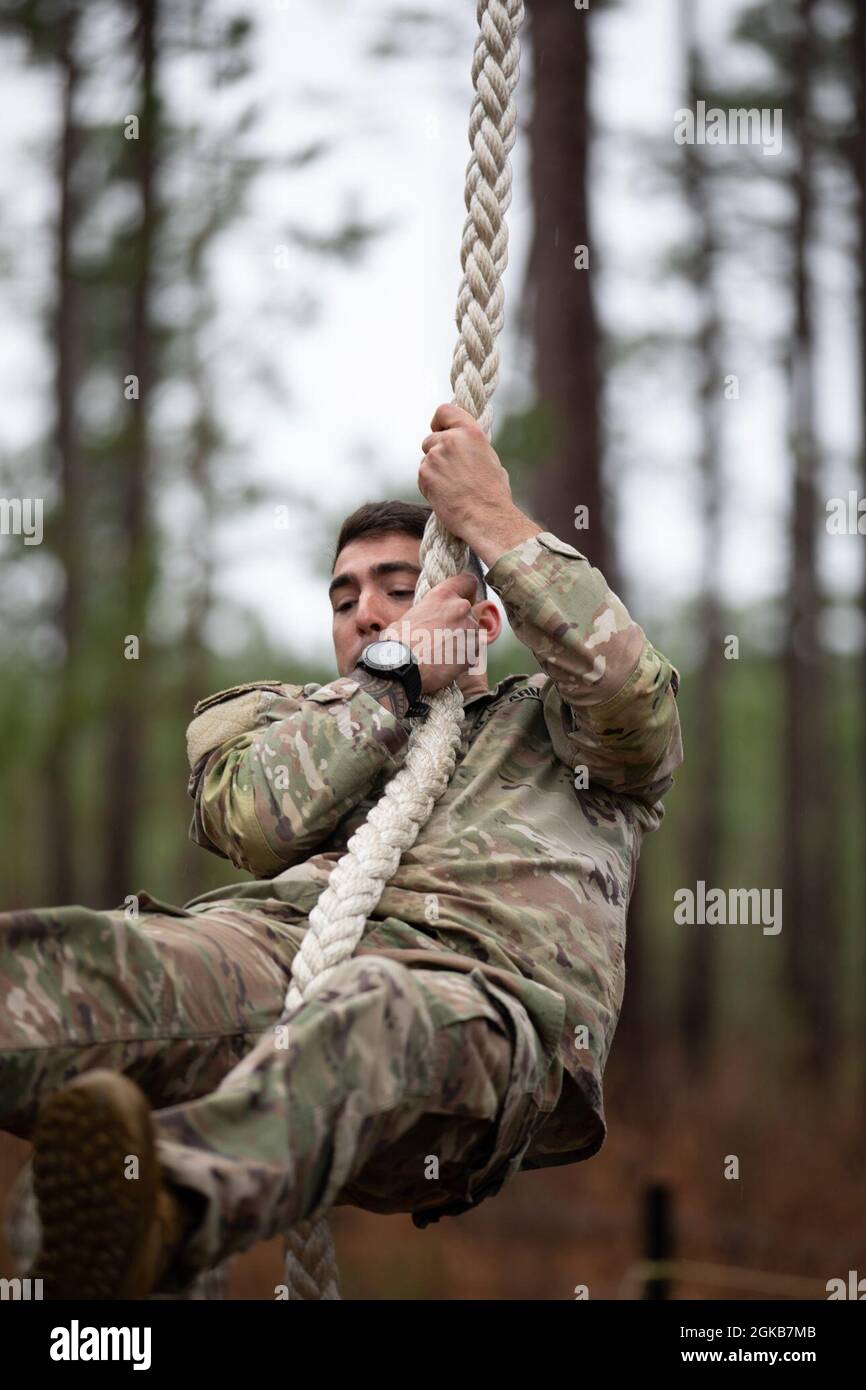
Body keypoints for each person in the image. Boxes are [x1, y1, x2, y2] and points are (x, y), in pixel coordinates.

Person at [0, 403, 683, 1299]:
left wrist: (492, 522)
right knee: (60, 967)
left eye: (398, 587)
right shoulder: (299, 723)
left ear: (478, 619)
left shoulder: (560, 737)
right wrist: (392, 681)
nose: (365, 612)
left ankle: (158, 1211)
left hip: (483, 1020)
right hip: (278, 974)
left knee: (374, 1005)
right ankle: (118, 1234)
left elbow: (634, 707)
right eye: (344, 596)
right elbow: (249, 817)